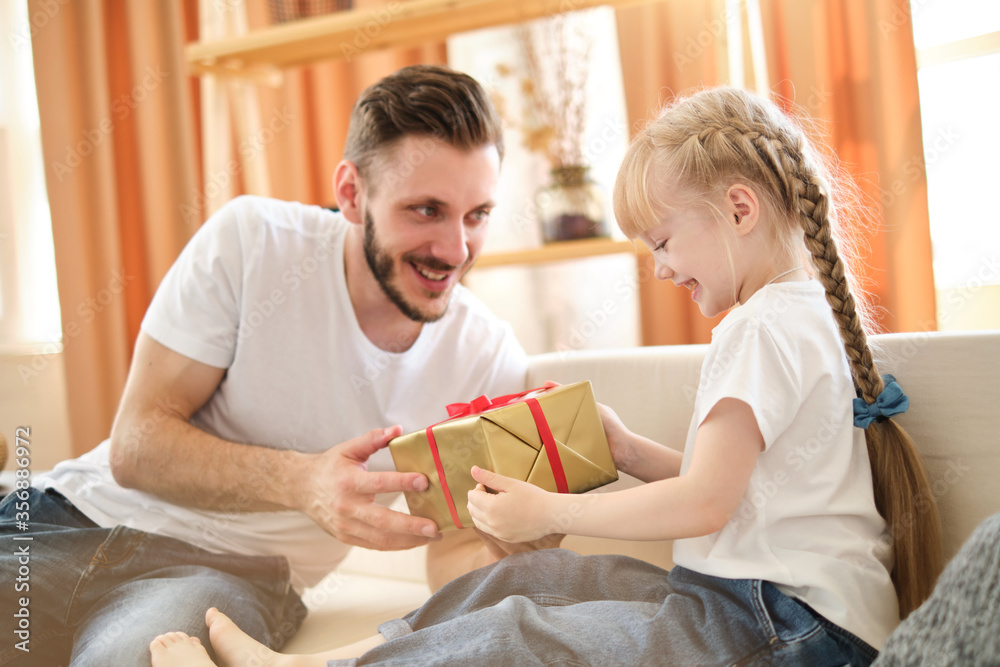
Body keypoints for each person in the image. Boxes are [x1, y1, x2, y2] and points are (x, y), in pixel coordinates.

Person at [148, 85, 945, 667]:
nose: (662, 269)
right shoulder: (799, 318)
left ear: (740, 210)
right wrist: (630, 452)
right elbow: (752, 486)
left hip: (788, 632)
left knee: (520, 629)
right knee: (534, 579)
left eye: (664, 241)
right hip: (765, 611)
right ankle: (332, 663)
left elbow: (707, 502)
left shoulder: (761, 328)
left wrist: (548, 506)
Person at [0, 64, 534, 666]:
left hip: (215, 579)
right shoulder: (254, 242)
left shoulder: (487, 359)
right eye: (426, 210)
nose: (456, 250)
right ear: (353, 194)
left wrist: (513, 546)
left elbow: (450, 556)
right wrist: (304, 484)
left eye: (478, 214)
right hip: (62, 519)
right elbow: (136, 446)